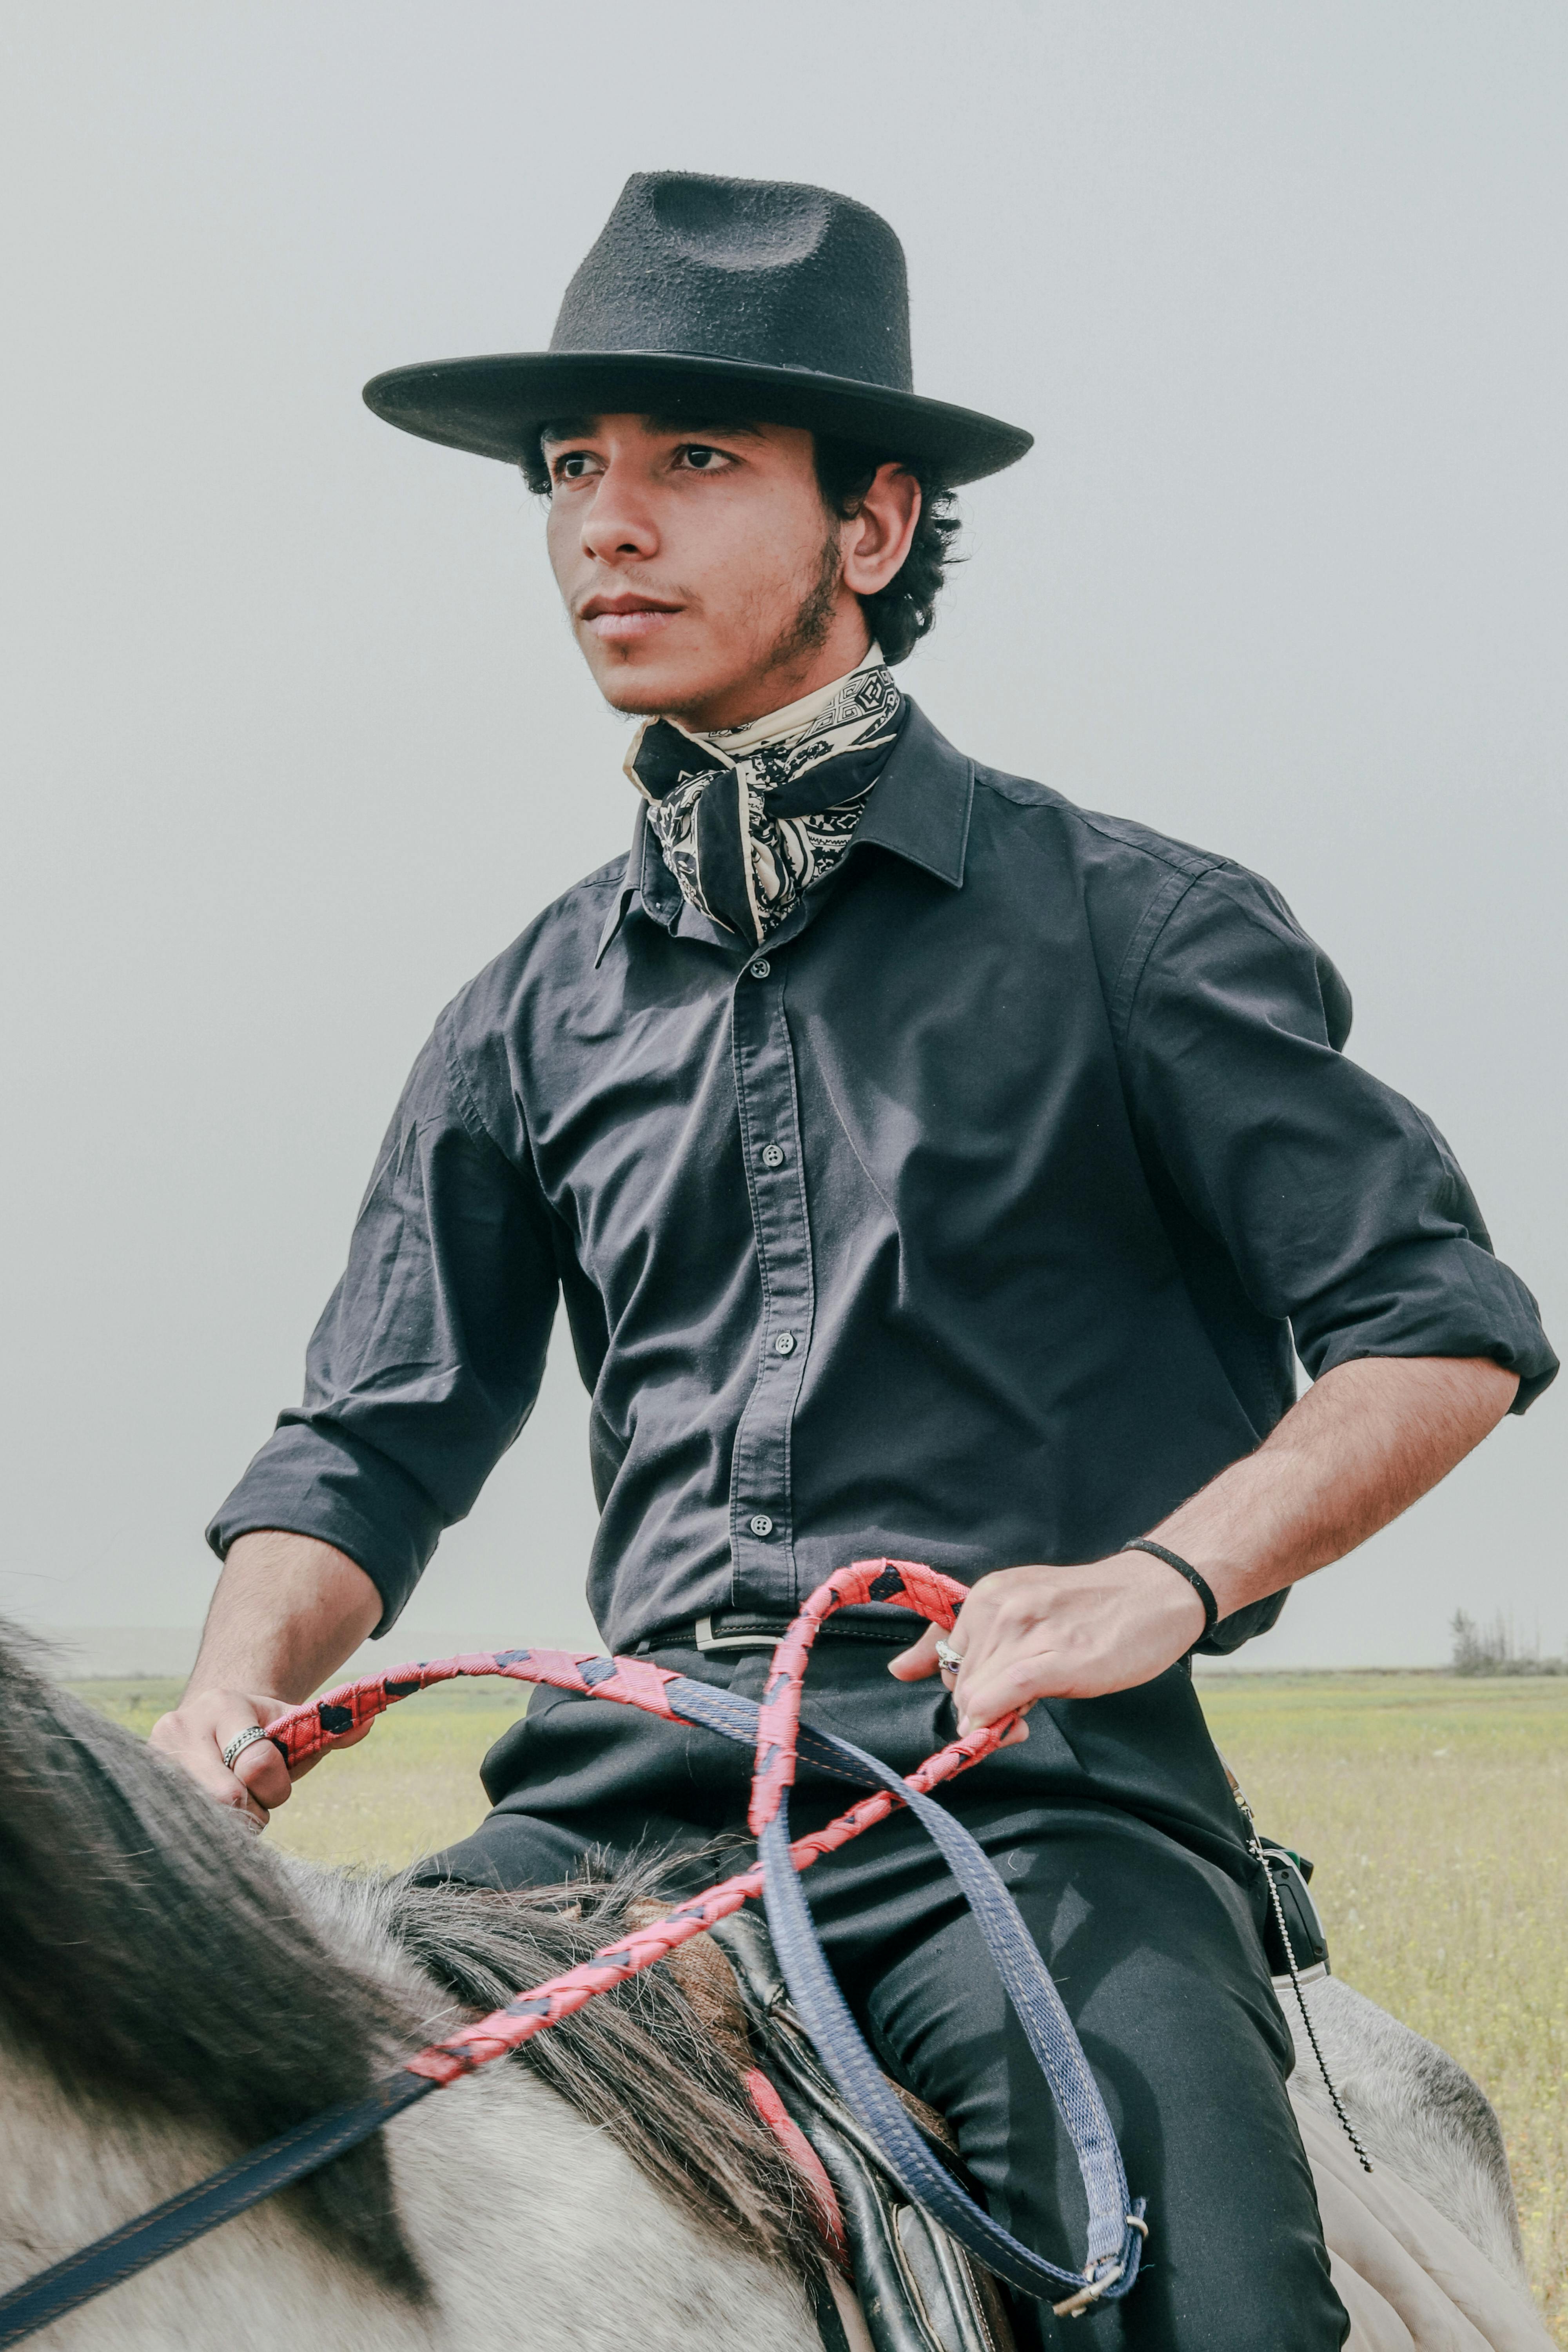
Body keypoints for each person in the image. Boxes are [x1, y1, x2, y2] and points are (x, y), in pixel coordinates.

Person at [152, 174, 1555, 2348]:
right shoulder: (524, 1012)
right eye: (572, 472)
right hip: (607, 1823)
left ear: (876, 526)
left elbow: (1436, 1334)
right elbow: (367, 1440)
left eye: (692, 462)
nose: (607, 525)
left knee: (1208, 2300)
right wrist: (238, 1682)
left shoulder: (1137, 928)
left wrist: (1152, 1586)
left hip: (1024, 1816)